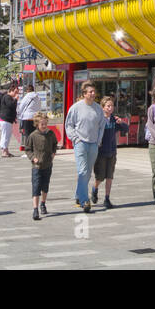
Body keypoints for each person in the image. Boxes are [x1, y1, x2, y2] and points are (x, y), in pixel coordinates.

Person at [64, 81, 105, 213]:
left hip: (93, 144)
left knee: (87, 172)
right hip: (80, 143)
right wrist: (75, 139)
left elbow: (101, 126)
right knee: (82, 171)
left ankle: (78, 194)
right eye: (90, 92)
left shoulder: (98, 108)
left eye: (94, 92)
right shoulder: (75, 108)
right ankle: (84, 200)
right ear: (84, 94)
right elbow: (69, 125)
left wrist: (98, 141)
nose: (93, 94)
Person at [92, 95, 128, 210]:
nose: (110, 108)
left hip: (112, 152)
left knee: (109, 177)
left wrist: (121, 122)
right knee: (100, 177)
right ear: (103, 107)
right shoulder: (99, 119)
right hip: (101, 153)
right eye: (108, 106)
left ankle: (107, 198)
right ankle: (95, 189)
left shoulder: (114, 119)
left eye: (112, 106)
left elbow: (125, 129)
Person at [25, 112, 57, 220]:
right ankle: (35, 209)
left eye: (45, 124)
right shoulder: (33, 136)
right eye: (42, 124)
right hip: (36, 166)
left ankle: (43, 203)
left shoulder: (50, 134)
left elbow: (54, 144)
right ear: (37, 124)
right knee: (36, 187)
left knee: (45, 186)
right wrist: (33, 157)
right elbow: (28, 149)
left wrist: (53, 153)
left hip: (47, 164)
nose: (44, 126)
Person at [0, 82, 20, 157]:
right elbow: (11, 105)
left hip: (7, 119)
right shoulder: (7, 97)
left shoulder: (7, 97)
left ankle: (6, 150)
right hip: (5, 119)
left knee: (7, 135)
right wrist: (15, 99)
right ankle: (4, 151)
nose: (16, 94)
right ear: (11, 90)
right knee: (6, 135)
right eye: (15, 92)